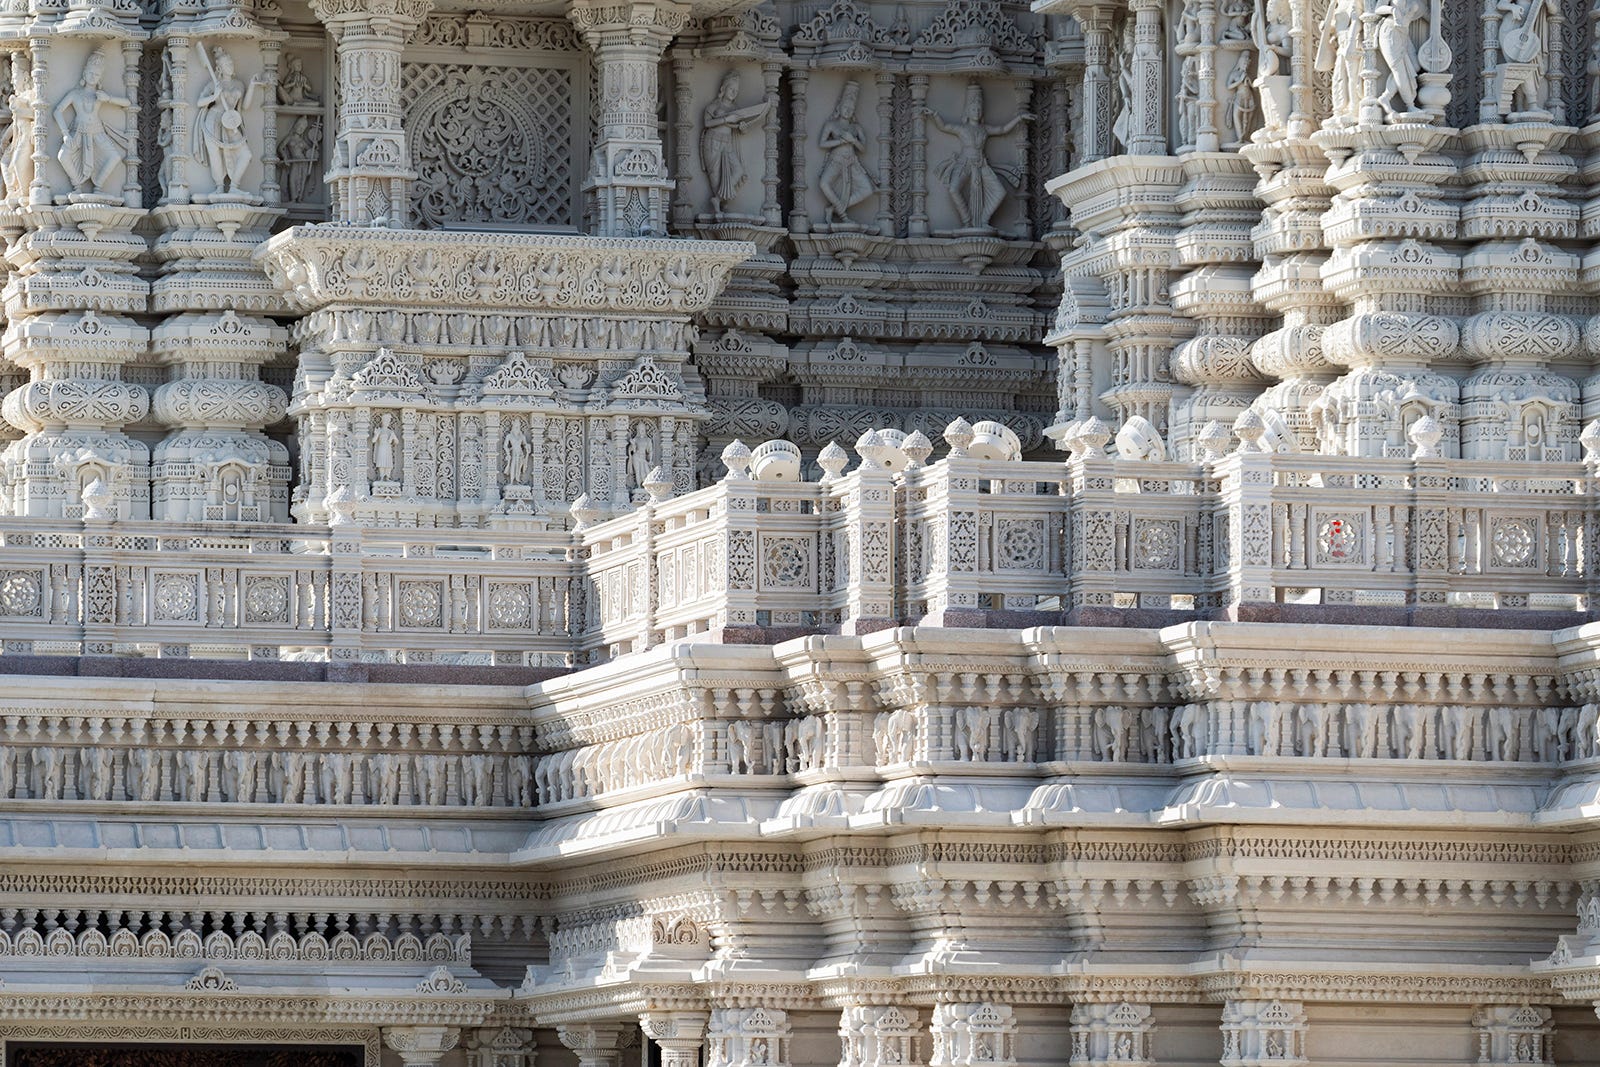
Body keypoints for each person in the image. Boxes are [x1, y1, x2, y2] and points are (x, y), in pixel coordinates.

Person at [922, 82, 1031, 231]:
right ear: (968, 110)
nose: (977, 111)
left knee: (1000, 192)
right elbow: (944, 127)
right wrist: (934, 115)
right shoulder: (962, 129)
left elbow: (1002, 129)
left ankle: (984, 220)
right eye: (974, 108)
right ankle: (967, 220)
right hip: (964, 163)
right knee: (954, 189)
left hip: (982, 164)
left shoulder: (984, 129)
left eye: (979, 108)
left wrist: (1018, 119)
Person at [54, 48, 130, 196]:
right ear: (84, 73)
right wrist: (65, 134)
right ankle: (76, 185)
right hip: (78, 131)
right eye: (90, 73)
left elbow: (127, 103)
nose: (93, 76)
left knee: (114, 157)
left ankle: (98, 187)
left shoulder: (100, 95)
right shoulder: (75, 94)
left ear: (100, 77)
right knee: (63, 156)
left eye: (96, 74)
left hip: (97, 131)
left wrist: (108, 98)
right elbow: (57, 111)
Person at [193, 44, 268, 195]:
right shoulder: (214, 84)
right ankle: (219, 187)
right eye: (227, 64)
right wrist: (214, 96)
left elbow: (245, 106)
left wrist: (252, 86)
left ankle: (234, 187)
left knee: (246, 154)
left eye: (231, 63)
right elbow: (199, 102)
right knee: (215, 154)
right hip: (213, 120)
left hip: (231, 121)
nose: (231, 66)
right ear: (219, 67)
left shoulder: (239, 84)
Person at [699, 71, 769, 216]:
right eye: (731, 89)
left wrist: (743, 127)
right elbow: (706, 123)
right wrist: (726, 119)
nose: (734, 93)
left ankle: (718, 199)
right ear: (723, 89)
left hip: (727, 144)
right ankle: (718, 206)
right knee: (715, 177)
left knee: (738, 171)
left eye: (736, 91)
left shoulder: (735, 109)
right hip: (712, 142)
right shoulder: (714, 106)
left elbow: (739, 128)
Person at [817, 80, 875, 225]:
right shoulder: (831, 125)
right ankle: (843, 215)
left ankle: (834, 209)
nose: (848, 110)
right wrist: (841, 142)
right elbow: (822, 143)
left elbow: (863, 148)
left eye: (851, 108)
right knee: (824, 183)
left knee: (868, 190)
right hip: (836, 160)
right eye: (845, 106)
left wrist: (853, 141)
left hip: (852, 162)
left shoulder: (856, 128)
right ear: (839, 106)